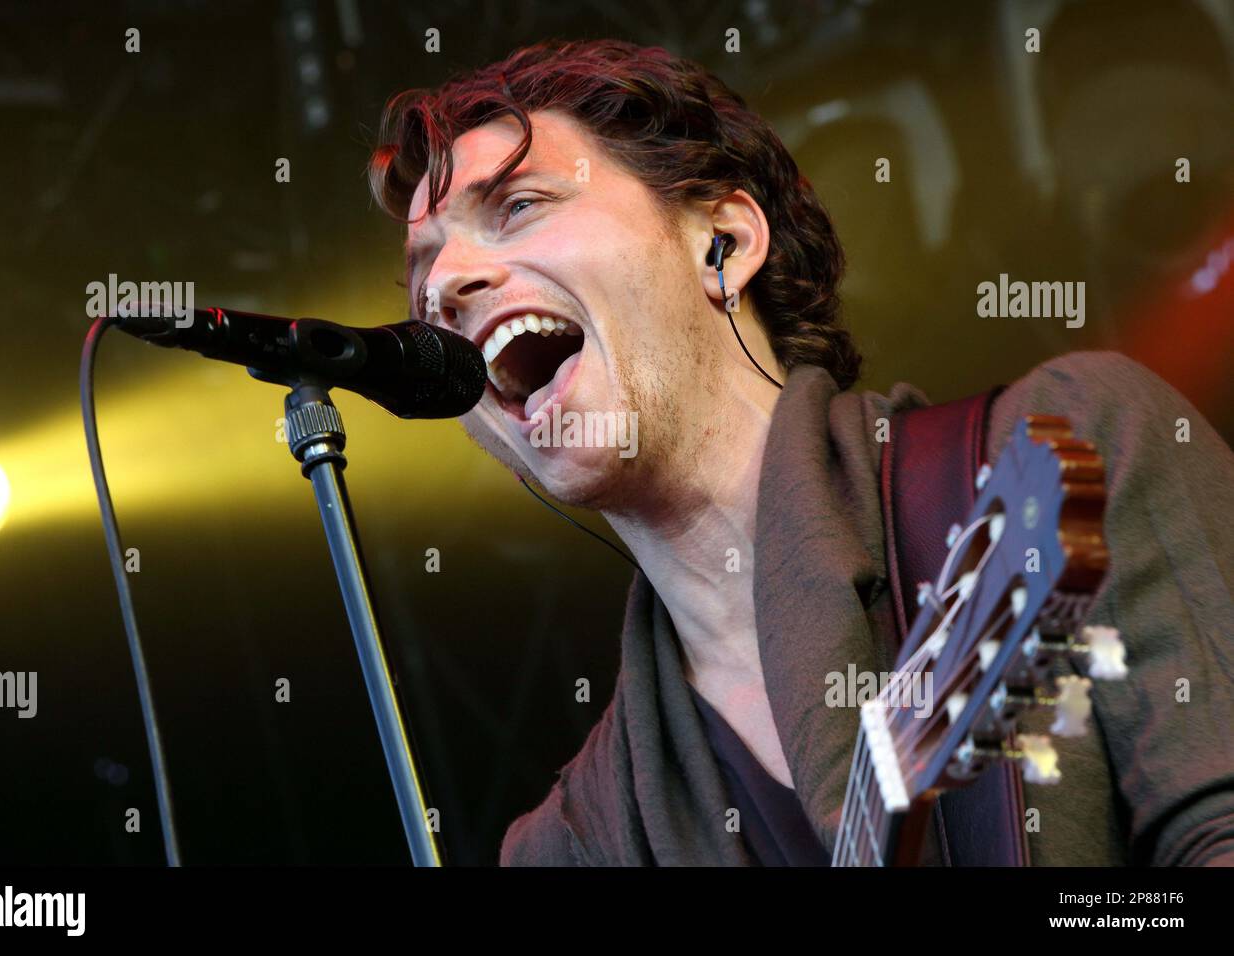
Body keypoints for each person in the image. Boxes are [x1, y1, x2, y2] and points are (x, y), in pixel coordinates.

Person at [368, 38, 1234, 865]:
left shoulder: (1062, 455)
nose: (444, 285)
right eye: (422, 276)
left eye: (517, 207)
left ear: (725, 242)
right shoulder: (580, 843)